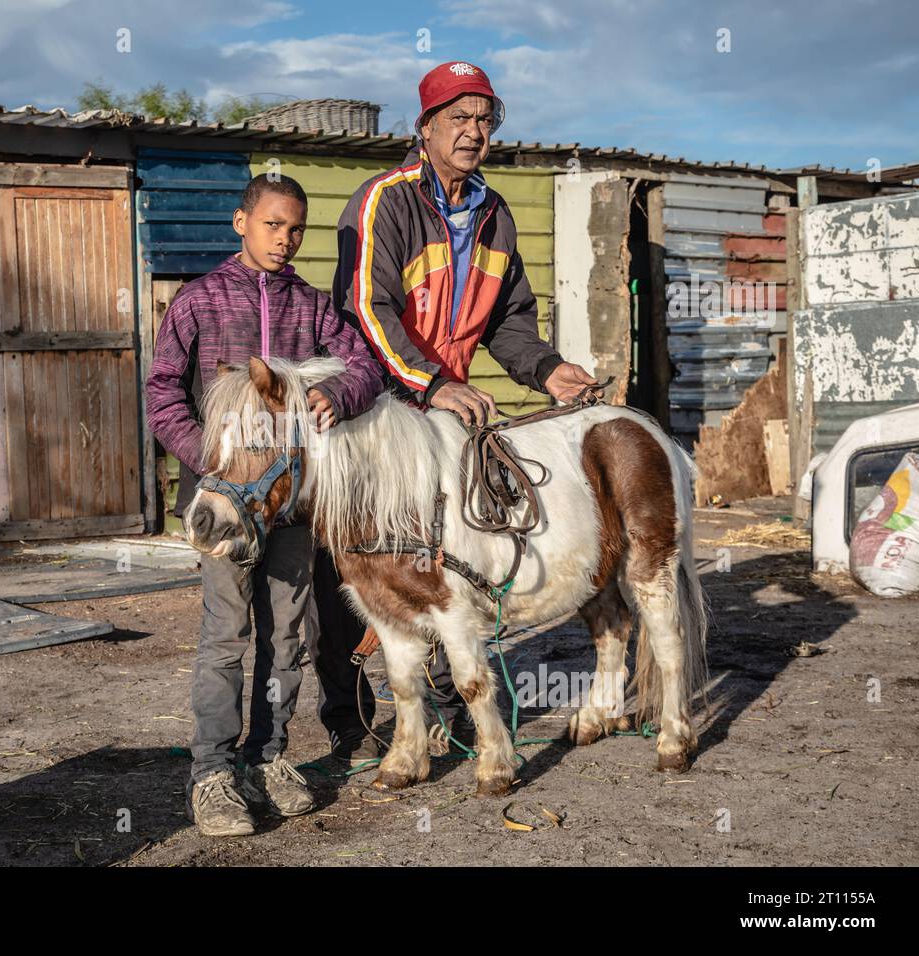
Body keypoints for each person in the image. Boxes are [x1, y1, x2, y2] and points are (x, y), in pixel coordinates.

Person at [310, 60, 599, 759]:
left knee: (449, 555)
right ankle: (352, 722)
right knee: (354, 569)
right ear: (427, 127)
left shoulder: (493, 214)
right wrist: (431, 381)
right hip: (376, 407)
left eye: (484, 121)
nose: (473, 133)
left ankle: (442, 704)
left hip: (449, 410)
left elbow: (511, 320)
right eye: (459, 120)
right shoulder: (386, 199)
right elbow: (365, 309)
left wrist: (546, 368)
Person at [146, 174, 384, 837]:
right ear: (240, 222)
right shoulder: (198, 302)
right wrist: (211, 461)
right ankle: (214, 774)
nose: (285, 239)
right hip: (225, 503)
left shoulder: (311, 307)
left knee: (287, 637)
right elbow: (163, 391)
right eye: (272, 224)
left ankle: (270, 758)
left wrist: (342, 396)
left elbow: (365, 364)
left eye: (295, 228)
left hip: (290, 507)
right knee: (226, 635)